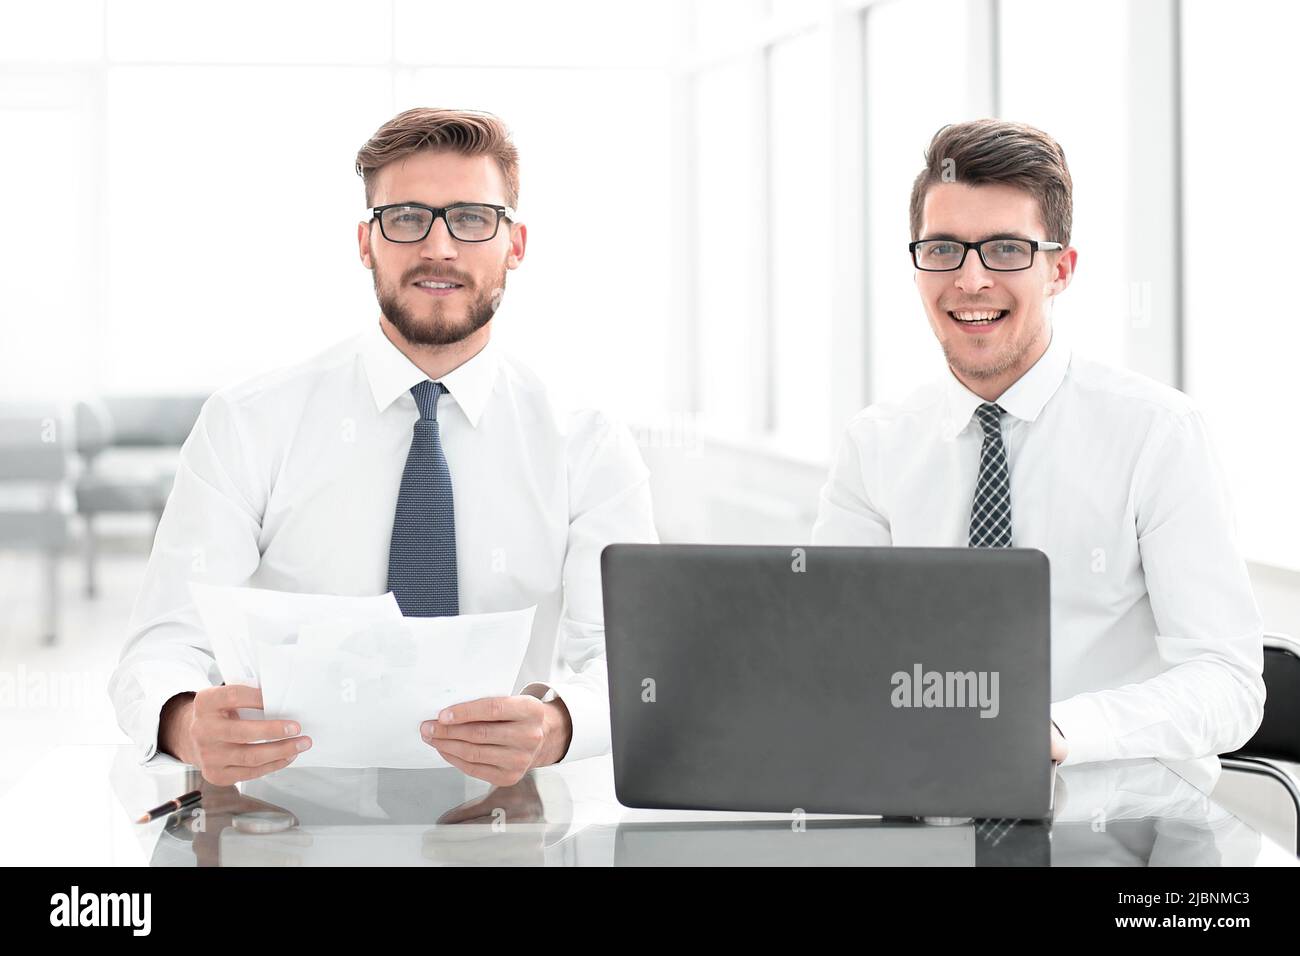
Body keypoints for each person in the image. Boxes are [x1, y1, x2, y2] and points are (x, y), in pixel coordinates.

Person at [109, 107, 657, 786]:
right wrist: (185, 721)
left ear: (515, 244)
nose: (440, 247)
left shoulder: (588, 445)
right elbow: (162, 646)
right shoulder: (247, 423)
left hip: (507, 822)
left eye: (473, 219)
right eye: (406, 218)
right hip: (288, 822)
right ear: (365, 242)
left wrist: (559, 725)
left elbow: (629, 663)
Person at [811, 119, 1263, 768]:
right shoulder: (876, 445)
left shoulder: (1157, 434)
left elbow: (1228, 681)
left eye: (1005, 250)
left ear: (1060, 270)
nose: (969, 280)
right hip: (926, 812)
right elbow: (830, 649)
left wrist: (1056, 733)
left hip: (1121, 824)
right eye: (942, 250)